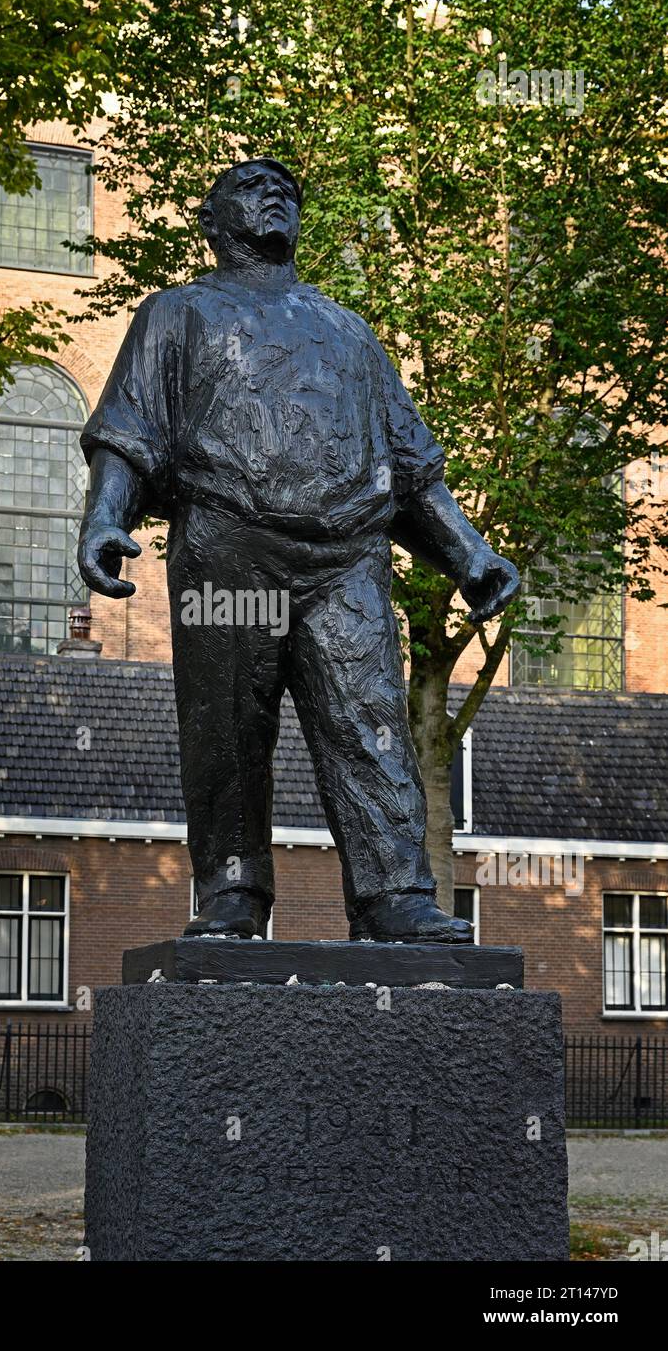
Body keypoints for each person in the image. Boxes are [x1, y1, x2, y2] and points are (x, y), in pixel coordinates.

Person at [78, 158, 519, 942]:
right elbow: (129, 431)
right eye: (252, 187)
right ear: (211, 222)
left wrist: (468, 552)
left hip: (344, 561)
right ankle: (232, 891)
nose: (275, 194)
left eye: (287, 190)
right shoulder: (175, 316)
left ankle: (395, 896)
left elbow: (411, 466)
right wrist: (105, 517)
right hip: (230, 550)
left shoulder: (349, 331)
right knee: (227, 727)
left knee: (368, 717)